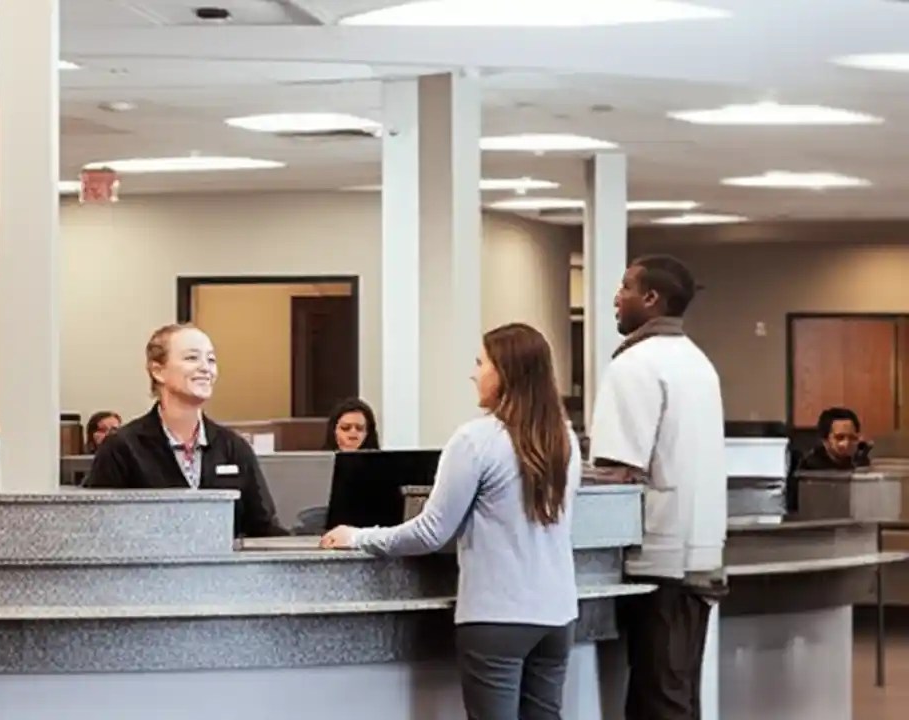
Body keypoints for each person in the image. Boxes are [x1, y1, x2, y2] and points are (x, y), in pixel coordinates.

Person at [322, 323, 580, 720]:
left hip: (498, 616)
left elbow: (429, 532)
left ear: (505, 373)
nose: (474, 373)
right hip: (557, 615)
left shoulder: (476, 440)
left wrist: (358, 537)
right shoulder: (565, 439)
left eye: (481, 363)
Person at [589, 254, 726, 720]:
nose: (615, 297)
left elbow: (618, 470)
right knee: (679, 694)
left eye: (624, 287)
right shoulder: (698, 362)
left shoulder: (635, 365)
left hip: (659, 558)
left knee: (657, 700)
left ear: (650, 299)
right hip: (699, 553)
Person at [84, 323, 286, 537]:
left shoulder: (233, 447)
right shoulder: (122, 448)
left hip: (220, 570)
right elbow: (97, 531)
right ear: (157, 370)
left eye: (211, 359)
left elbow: (265, 529)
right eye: (192, 358)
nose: (206, 368)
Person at [796, 407, 872, 471]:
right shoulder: (811, 468)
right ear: (825, 440)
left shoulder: (858, 461)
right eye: (839, 438)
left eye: (852, 438)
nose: (846, 443)